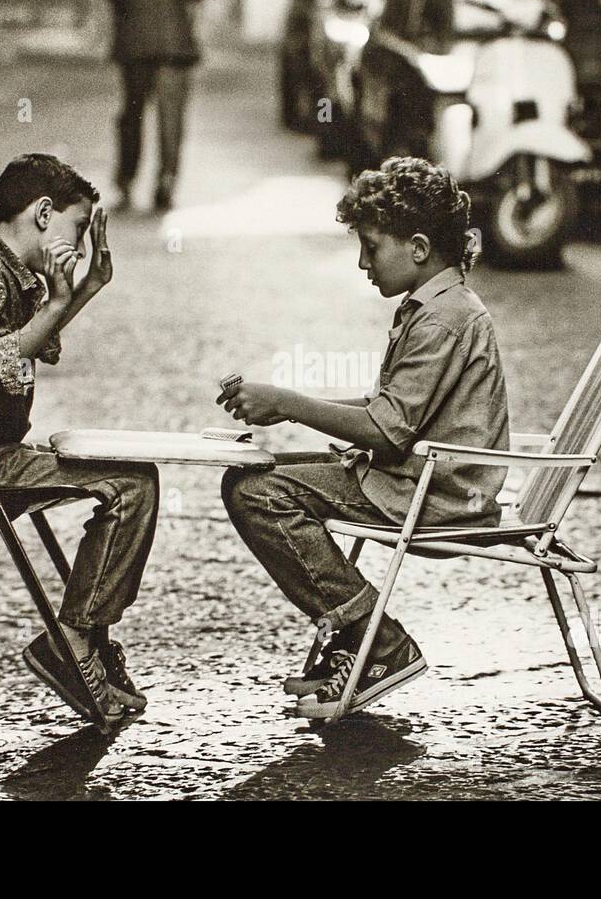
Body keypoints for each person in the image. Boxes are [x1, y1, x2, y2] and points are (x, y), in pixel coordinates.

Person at [218, 157, 512, 718]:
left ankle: (375, 639)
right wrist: (290, 409)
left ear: (419, 248)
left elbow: (386, 428)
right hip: (419, 478)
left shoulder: (445, 318)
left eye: (372, 247)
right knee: (257, 473)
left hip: (434, 494)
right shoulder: (436, 306)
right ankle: (360, 640)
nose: (361, 262)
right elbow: (392, 414)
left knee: (256, 492)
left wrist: (288, 403)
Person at [0, 153, 159, 725]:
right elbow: (4, 373)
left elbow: (25, 346)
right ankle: (74, 641)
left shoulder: (6, 274)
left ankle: (79, 640)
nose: (80, 241)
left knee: (130, 478)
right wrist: (64, 300)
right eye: (76, 227)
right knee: (131, 484)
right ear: (44, 214)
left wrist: (86, 288)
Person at [105, 0, 204, 212]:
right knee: (171, 117)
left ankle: (126, 178)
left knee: (132, 113)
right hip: (176, 43)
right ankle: (166, 181)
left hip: (135, 40)